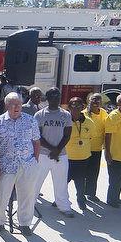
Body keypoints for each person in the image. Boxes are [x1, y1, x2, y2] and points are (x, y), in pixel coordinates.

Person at [0, 92, 41, 233]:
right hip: (5, 166)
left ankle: (24, 223)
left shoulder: (30, 121)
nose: (17, 107)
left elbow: (36, 141)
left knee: (27, 195)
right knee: (2, 195)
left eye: (19, 104)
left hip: (27, 164)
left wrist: (35, 160)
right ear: (6, 105)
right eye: (13, 104)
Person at [32, 88, 74, 217]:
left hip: (61, 155)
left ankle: (64, 206)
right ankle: (29, 204)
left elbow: (67, 135)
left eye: (58, 96)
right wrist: (52, 149)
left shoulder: (66, 114)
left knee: (61, 182)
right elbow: (37, 135)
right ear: (48, 98)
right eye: (54, 96)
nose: (57, 98)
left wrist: (58, 150)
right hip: (43, 154)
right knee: (35, 181)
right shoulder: (39, 115)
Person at [66, 98, 96, 213]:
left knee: (80, 181)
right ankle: (61, 199)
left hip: (83, 158)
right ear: (69, 107)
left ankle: (81, 200)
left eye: (79, 106)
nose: (76, 108)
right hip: (67, 158)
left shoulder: (89, 122)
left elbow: (91, 136)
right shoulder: (65, 121)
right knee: (64, 181)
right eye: (73, 106)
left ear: (83, 107)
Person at [83, 93, 108, 202]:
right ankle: (82, 193)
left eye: (98, 100)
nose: (96, 102)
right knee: (83, 173)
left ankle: (91, 193)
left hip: (97, 148)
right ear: (89, 101)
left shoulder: (103, 113)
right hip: (85, 148)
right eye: (93, 100)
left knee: (94, 173)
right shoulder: (83, 114)